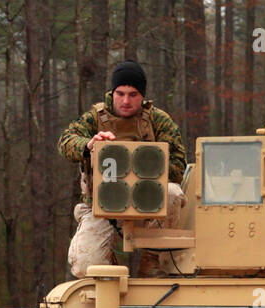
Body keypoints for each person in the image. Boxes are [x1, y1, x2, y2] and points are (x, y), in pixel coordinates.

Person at [56, 60, 187, 277]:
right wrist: (89, 146)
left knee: (173, 193)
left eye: (133, 94)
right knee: (85, 266)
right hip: (101, 206)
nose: (126, 101)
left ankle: (153, 257)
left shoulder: (157, 120)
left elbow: (178, 166)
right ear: (112, 92)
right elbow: (65, 142)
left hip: (148, 199)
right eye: (120, 93)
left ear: (142, 95)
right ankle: (110, 269)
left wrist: (148, 161)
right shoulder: (95, 118)